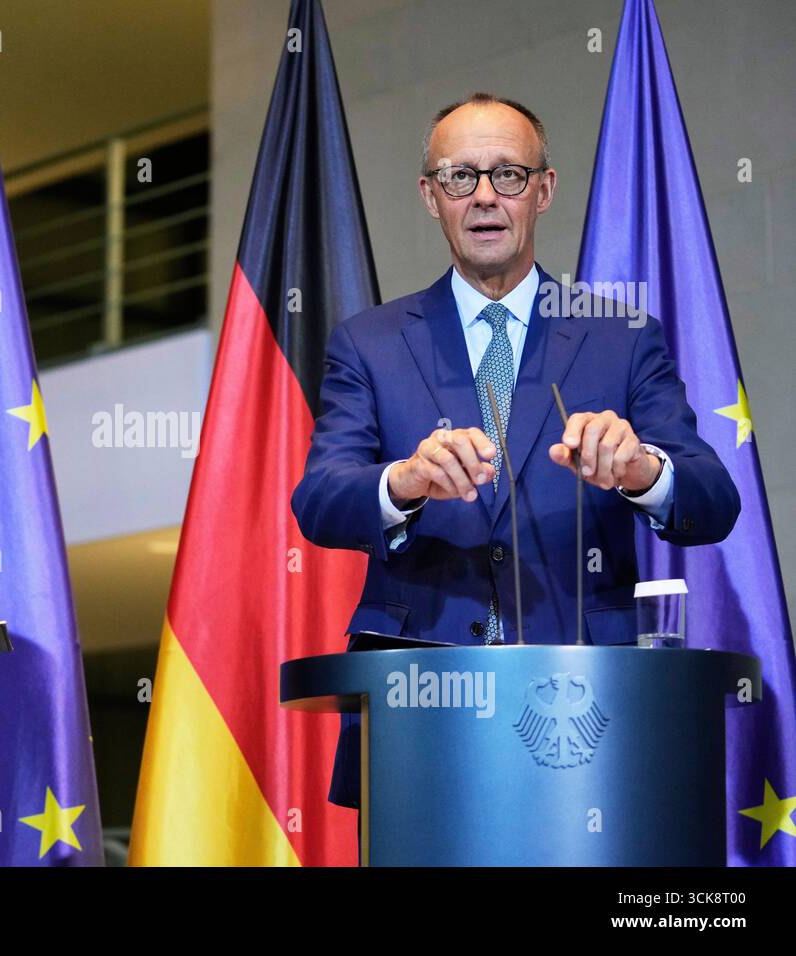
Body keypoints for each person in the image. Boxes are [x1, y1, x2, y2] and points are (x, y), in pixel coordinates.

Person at [290, 93, 740, 811]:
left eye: (508, 174)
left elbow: (714, 502)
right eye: (459, 176)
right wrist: (401, 483)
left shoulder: (620, 335)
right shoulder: (368, 342)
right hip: (420, 704)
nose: (484, 197)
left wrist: (640, 472)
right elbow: (317, 502)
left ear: (544, 190)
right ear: (430, 197)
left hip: (587, 705)